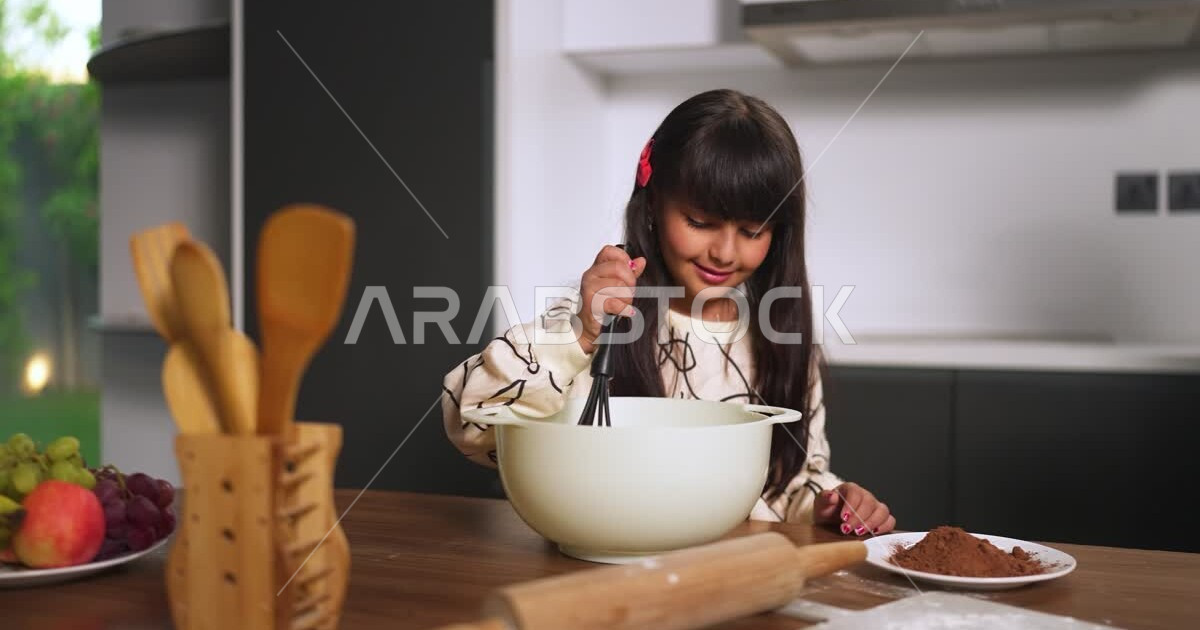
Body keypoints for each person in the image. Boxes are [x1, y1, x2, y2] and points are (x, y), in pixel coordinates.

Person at [442, 88, 895, 536]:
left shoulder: (783, 344)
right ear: (655, 202)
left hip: (729, 577)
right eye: (700, 222)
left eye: (753, 230)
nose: (724, 252)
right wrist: (581, 335)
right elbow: (472, 423)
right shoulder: (596, 324)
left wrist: (828, 504)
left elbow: (789, 484)